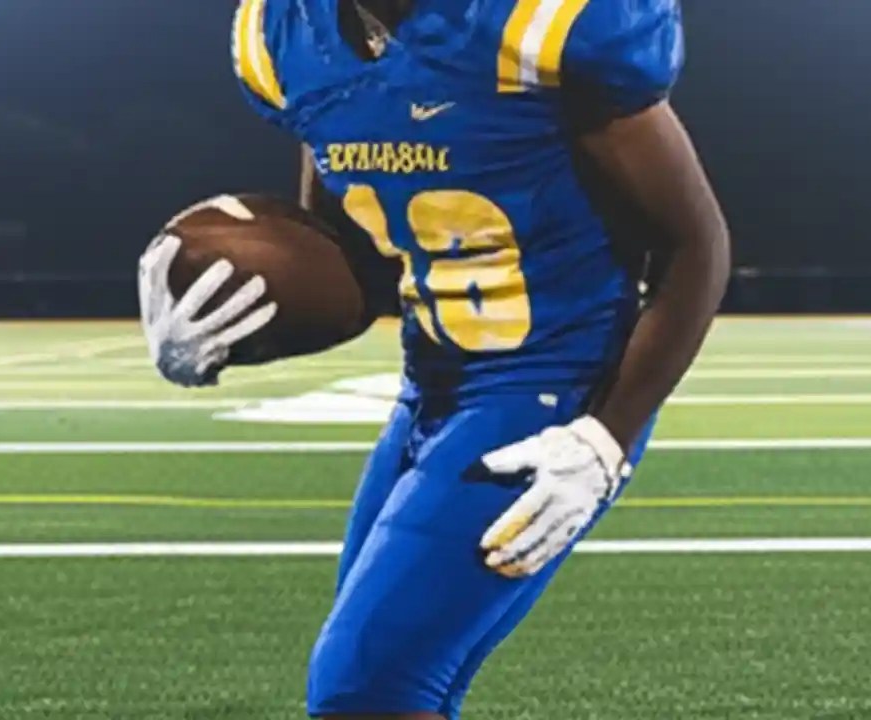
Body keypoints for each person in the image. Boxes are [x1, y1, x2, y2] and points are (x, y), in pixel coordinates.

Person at [138, 1, 730, 717]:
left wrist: (608, 437)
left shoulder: (538, 23)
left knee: (365, 688)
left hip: (555, 391)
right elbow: (355, 273)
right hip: (431, 391)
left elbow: (696, 246)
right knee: (394, 687)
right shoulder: (287, 36)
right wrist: (226, 329)